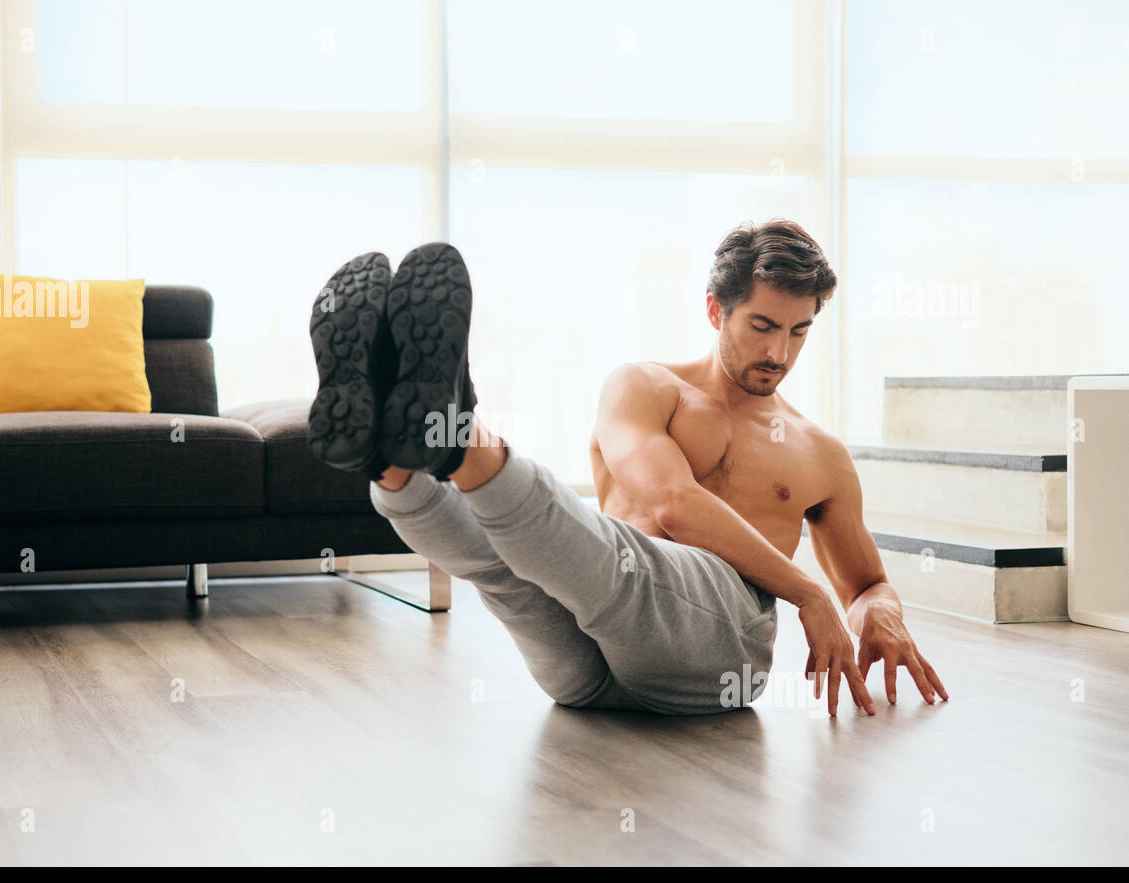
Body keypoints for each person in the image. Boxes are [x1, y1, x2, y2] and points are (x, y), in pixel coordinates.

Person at [305, 222, 948, 718]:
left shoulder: (820, 452)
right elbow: (670, 502)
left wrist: (880, 610)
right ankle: (389, 459)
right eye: (762, 325)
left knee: (604, 566)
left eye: (799, 332)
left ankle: (451, 435)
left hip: (715, 660)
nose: (779, 352)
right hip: (583, 675)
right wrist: (809, 594)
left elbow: (865, 583)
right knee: (498, 564)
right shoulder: (644, 386)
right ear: (714, 310)